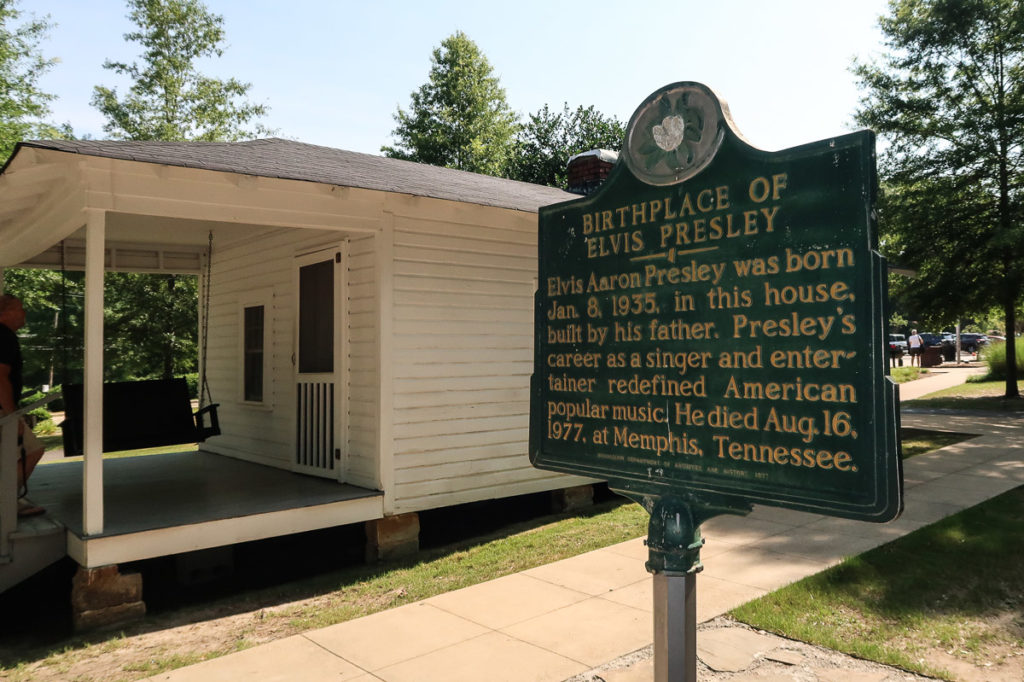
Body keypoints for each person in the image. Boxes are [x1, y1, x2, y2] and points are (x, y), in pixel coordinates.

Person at [0, 294, 45, 516]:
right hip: (2, 412)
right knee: (33, 450)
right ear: (5, 313)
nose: (24, 312)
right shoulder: (4, 337)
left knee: (9, 458)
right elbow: (0, 377)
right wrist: (12, 415)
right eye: (20, 308)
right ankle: (8, 504)